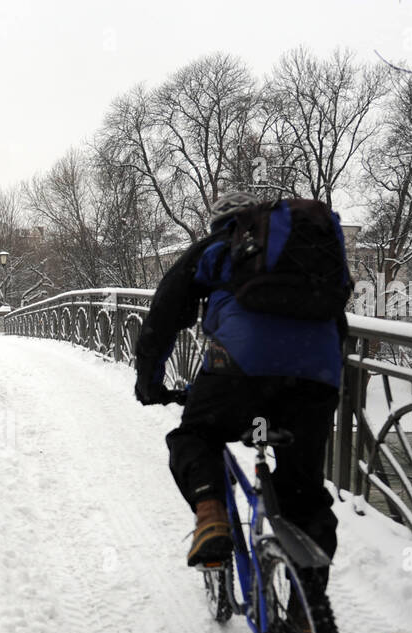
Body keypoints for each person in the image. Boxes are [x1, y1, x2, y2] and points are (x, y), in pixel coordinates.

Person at [133, 190, 350, 594]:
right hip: (316, 374)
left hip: (241, 369)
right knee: (303, 493)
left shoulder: (219, 244)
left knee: (196, 435)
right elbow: (337, 315)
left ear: (221, 223)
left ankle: (212, 514)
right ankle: (309, 612)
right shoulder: (306, 255)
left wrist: (149, 382)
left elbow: (165, 313)